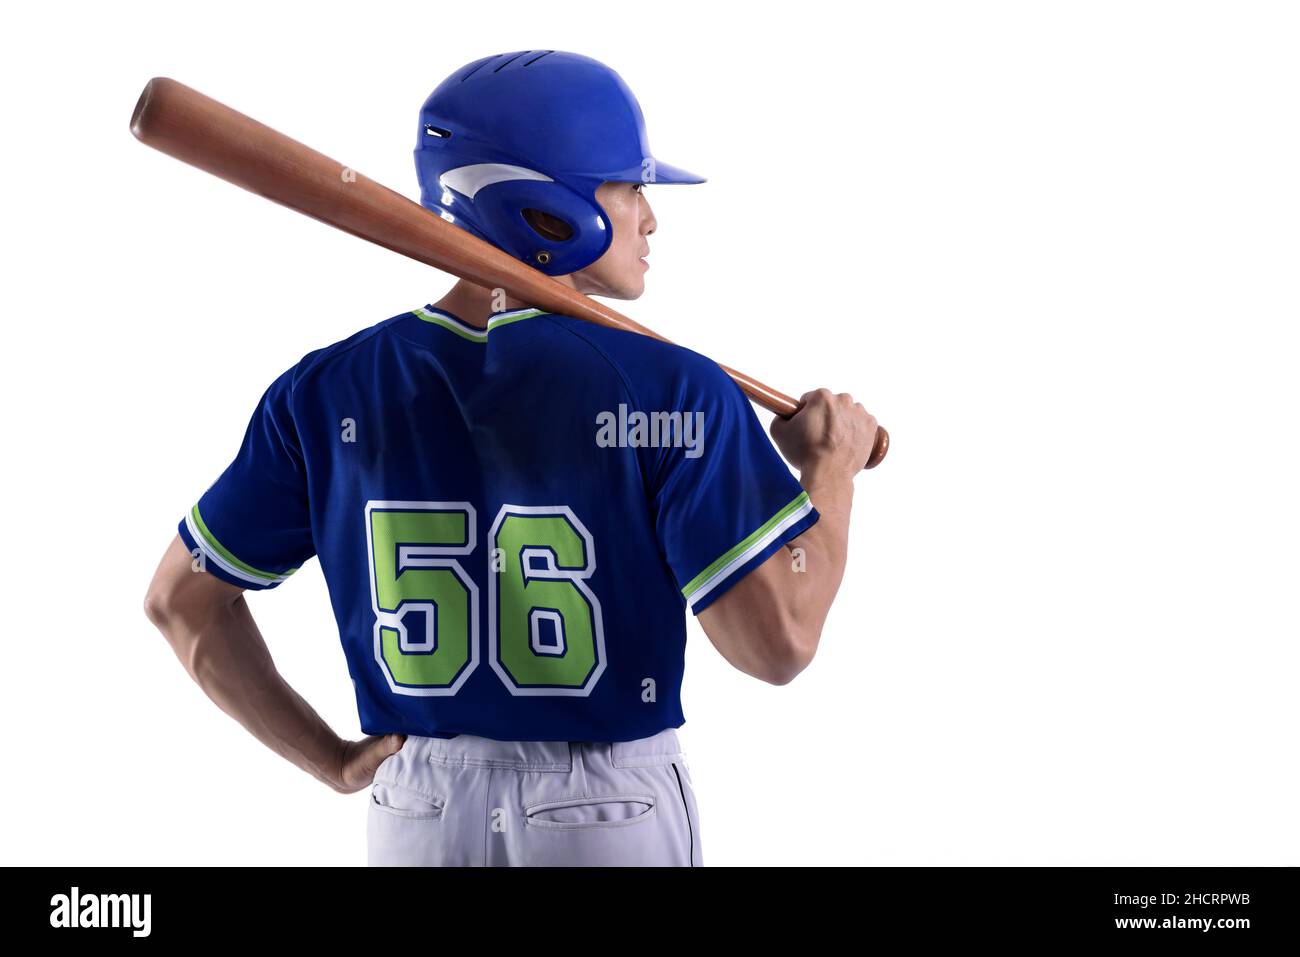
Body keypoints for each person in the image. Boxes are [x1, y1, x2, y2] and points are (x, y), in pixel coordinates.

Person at [143, 50, 878, 867]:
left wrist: (333, 759)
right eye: (626, 186)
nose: (649, 217)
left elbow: (182, 601)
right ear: (545, 209)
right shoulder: (673, 392)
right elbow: (778, 642)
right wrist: (831, 471)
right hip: (605, 811)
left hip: (413, 807)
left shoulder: (323, 392)